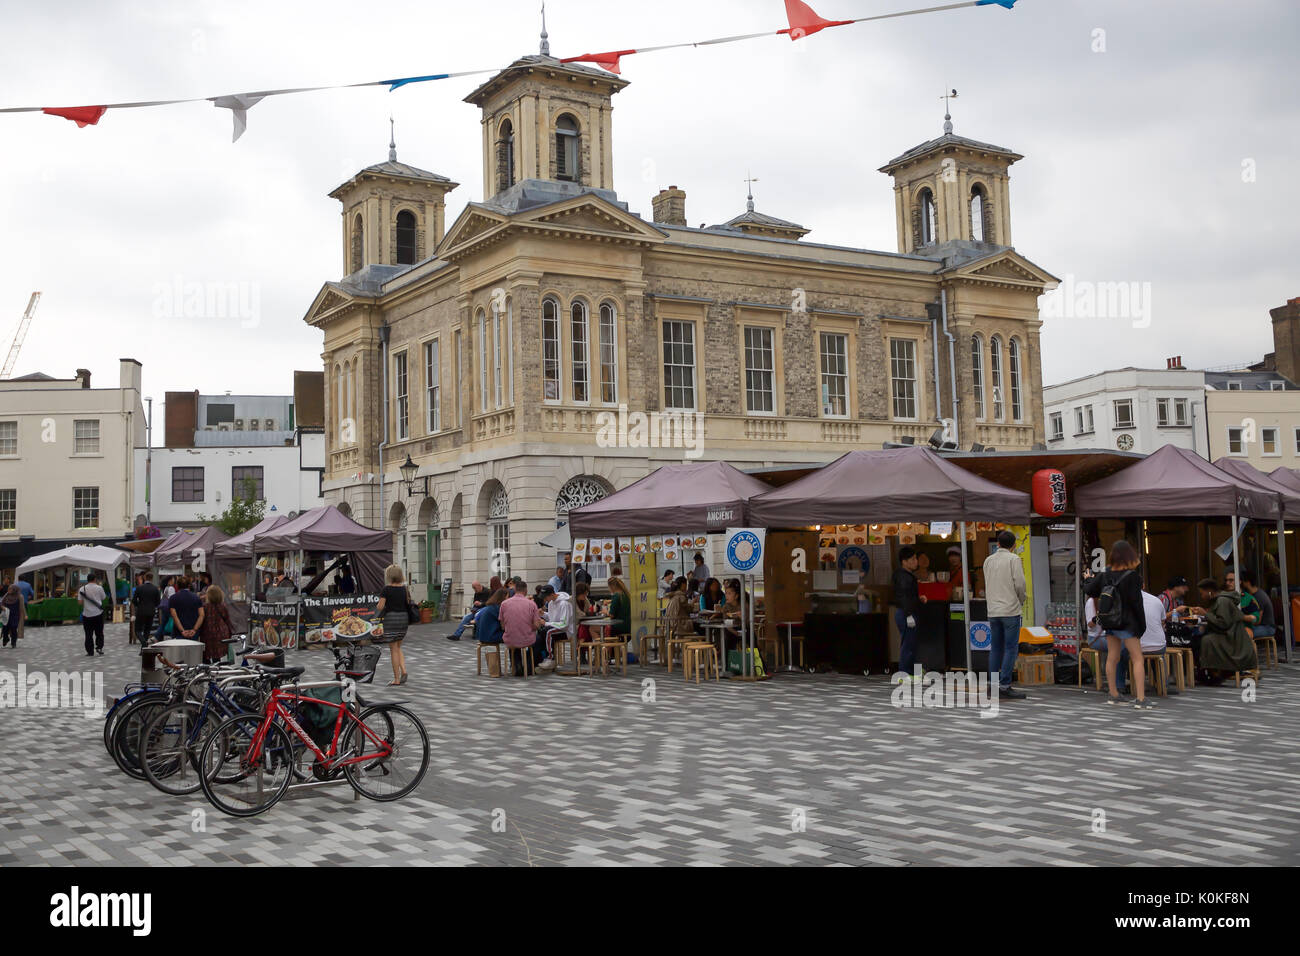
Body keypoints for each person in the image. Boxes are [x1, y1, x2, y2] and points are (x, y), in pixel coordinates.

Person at [1083, 540, 1150, 709]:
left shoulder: (1105, 574)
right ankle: (1141, 698)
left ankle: (1113, 694)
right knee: (1137, 659)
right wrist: (1141, 625)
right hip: (1128, 623)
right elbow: (1136, 603)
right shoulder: (1132, 576)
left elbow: (1090, 590)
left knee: (1113, 657)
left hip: (1110, 621)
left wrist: (1088, 580)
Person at [983, 531, 1028, 700]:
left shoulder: (988, 560)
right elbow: (1020, 584)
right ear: (1014, 545)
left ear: (998, 544)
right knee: (1010, 648)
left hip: (993, 610)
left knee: (995, 648)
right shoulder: (1013, 559)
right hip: (1010, 609)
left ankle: (993, 685)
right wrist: (1021, 599)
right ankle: (1005, 685)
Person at [1196, 577, 1258, 679]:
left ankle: (1212, 671)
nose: (1202, 596)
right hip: (1229, 635)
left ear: (1209, 591)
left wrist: (1205, 614)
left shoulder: (1222, 601)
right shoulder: (1218, 600)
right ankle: (1210, 670)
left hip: (1233, 640)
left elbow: (1223, 624)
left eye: (1202, 593)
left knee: (1206, 640)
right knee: (1202, 639)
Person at [375, 564, 414, 685]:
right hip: (403, 618)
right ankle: (403, 670)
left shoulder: (386, 589)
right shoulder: (404, 588)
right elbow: (407, 602)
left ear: (389, 576)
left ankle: (396, 679)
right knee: (398, 647)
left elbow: (380, 607)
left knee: (393, 649)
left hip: (391, 619)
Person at [891, 547, 925, 681]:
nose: (916, 562)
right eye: (913, 559)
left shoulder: (904, 575)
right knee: (908, 644)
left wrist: (918, 599)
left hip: (906, 612)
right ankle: (903, 673)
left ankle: (910, 671)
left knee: (911, 643)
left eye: (915, 558)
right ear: (904, 562)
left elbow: (909, 596)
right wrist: (909, 615)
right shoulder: (903, 577)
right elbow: (904, 597)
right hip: (906, 614)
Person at [500, 580, 545, 676]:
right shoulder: (531, 604)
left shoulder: (504, 604)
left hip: (510, 638)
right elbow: (537, 625)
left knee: (514, 641)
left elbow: (503, 625)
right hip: (527, 638)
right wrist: (532, 627)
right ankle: (529, 666)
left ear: (515, 589)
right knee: (538, 640)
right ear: (525, 590)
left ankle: (516, 665)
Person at [539, 585, 575, 671]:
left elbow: (564, 624)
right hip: (557, 628)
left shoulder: (564, 604)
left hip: (567, 631)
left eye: (545, 597)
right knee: (543, 631)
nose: (545, 599)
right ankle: (544, 656)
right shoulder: (551, 603)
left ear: (552, 595)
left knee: (548, 632)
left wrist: (546, 623)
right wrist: (543, 614)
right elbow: (553, 618)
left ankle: (551, 658)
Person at [199, 585, 234, 663]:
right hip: (220, 634)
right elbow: (227, 620)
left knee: (206, 654)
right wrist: (230, 634)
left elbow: (201, 620)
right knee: (217, 656)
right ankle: (217, 669)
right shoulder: (223, 606)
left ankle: (206, 669)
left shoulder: (205, 607)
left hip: (207, 633)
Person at [1235, 569, 1275, 639]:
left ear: (1247, 582)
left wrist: (1244, 618)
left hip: (1267, 628)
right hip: (1259, 626)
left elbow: (1257, 621)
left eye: (1241, 581)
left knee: (1242, 632)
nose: (1240, 583)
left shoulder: (1259, 596)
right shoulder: (1250, 594)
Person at [77, 571, 109, 657]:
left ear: (87, 580)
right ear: (95, 579)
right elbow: (103, 598)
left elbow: (79, 602)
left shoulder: (81, 589)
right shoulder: (99, 588)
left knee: (88, 634)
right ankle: (99, 647)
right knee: (99, 632)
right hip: (98, 613)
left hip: (87, 614)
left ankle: (90, 651)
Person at [168, 577, 205, 643]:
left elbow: (174, 616)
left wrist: (182, 630)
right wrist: (194, 629)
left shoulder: (173, 598)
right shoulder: (196, 598)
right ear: (189, 585)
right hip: (193, 632)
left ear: (177, 585)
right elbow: (201, 615)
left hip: (178, 632)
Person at [131, 573, 161, 646]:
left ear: (145, 578)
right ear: (152, 578)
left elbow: (134, 600)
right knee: (147, 630)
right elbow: (158, 602)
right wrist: (153, 605)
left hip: (141, 611)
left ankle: (143, 642)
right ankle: (143, 648)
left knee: (137, 630)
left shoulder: (139, 588)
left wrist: (139, 605)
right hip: (151, 611)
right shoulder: (155, 589)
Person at [607, 575, 631, 643]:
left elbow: (611, 615)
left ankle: (606, 651)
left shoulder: (616, 596)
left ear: (611, 587)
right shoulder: (626, 595)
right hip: (629, 627)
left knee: (600, 630)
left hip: (619, 628)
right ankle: (617, 652)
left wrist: (606, 612)